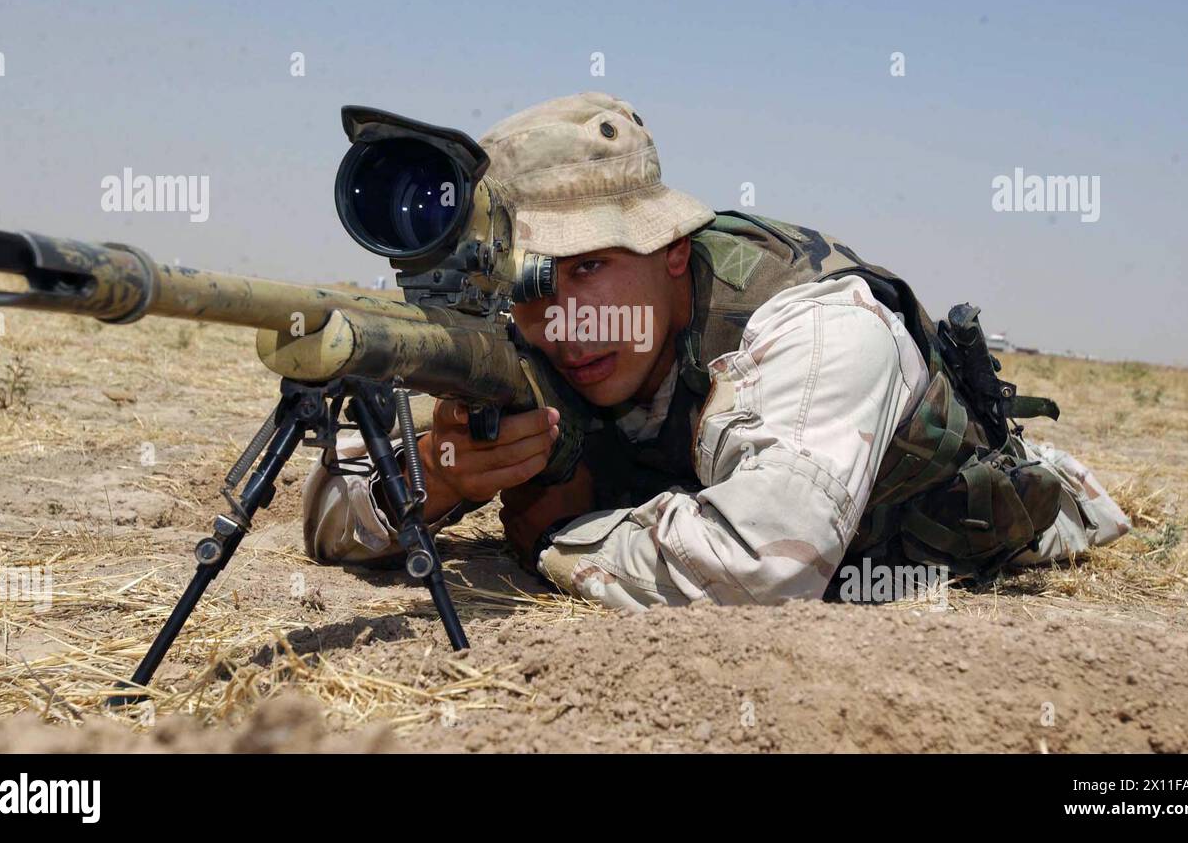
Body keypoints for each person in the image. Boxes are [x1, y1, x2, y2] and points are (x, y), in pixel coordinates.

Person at [303, 92, 1131, 610]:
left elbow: (759, 568)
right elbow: (328, 511)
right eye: (530, 283)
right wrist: (440, 475)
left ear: (671, 247)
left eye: (589, 268)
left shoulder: (815, 325)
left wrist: (556, 538)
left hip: (951, 525)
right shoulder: (532, 331)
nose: (563, 319)